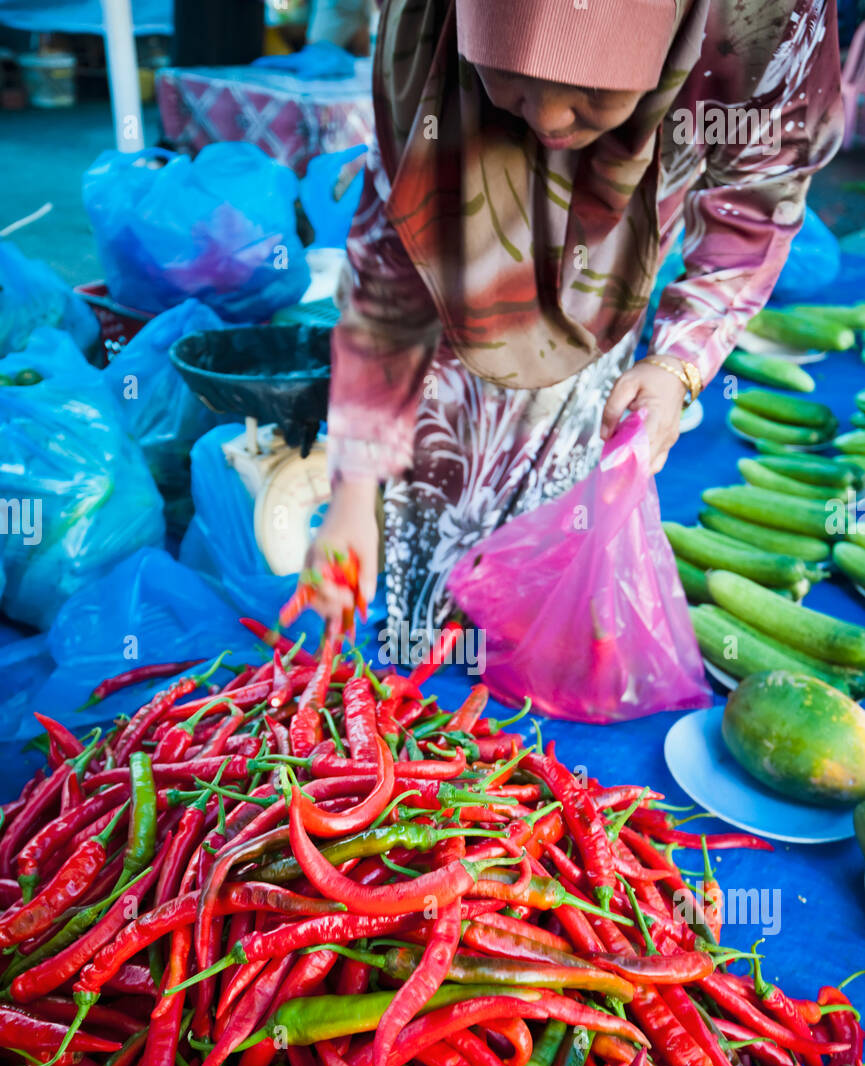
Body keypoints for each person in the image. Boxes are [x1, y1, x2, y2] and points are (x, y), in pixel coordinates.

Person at [304, 0, 842, 642]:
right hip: (441, 359)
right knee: (431, 603)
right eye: (510, 76)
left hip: (606, 305)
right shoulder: (425, 26)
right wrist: (354, 489)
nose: (550, 119)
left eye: (591, 89)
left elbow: (756, 200)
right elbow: (393, 263)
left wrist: (678, 362)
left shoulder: (753, 19)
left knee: (541, 591)